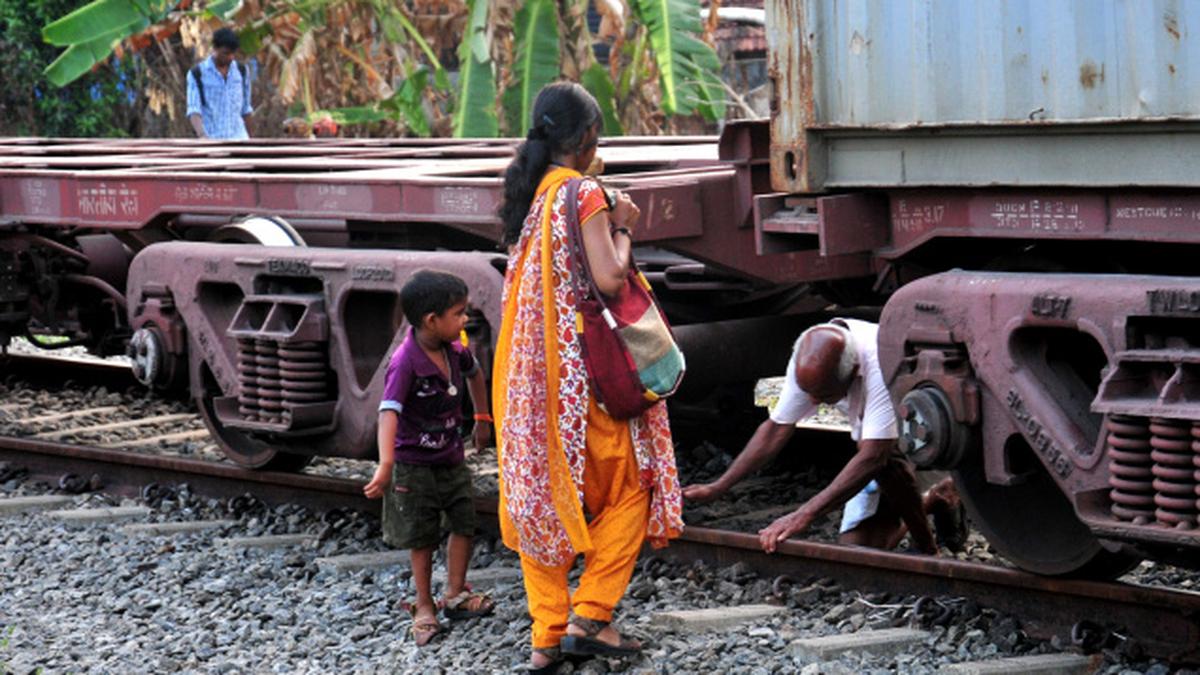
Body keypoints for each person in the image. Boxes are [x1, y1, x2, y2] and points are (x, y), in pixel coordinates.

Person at [493, 82, 684, 674]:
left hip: (527, 382)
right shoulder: (583, 194)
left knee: (540, 496)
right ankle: (592, 616)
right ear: (587, 139)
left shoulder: (530, 196)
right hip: (583, 380)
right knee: (633, 486)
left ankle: (547, 635)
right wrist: (624, 224)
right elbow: (607, 279)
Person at [682, 319, 965, 555]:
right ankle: (934, 499)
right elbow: (775, 429)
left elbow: (874, 457)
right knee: (859, 548)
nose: (814, 402)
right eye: (809, 395)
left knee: (890, 464)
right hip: (881, 449)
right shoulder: (809, 358)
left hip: (926, 439)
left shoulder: (881, 364)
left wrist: (804, 514)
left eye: (825, 396)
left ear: (854, 373)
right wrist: (718, 487)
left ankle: (928, 546)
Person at [363, 270, 496, 646]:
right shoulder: (405, 363)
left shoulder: (454, 350)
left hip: (450, 455)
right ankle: (424, 604)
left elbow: (475, 374)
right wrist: (386, 463)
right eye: (459, 313)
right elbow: (388, 412)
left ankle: (455, 593)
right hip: (413, 464)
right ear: (431, 320)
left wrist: (482, 418)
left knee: (463, 520)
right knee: (420, 534)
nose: (465, 319)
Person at [186, 27, 253, 139]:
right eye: (225, 53)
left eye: (233, 53)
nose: (230, 57)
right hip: (212, 140)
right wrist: (202, 136)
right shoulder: (197, 74)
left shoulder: (242, 71)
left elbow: (246, 109)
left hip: (240, 139)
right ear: (214, 49)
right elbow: (194, 110)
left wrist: (251, 139)